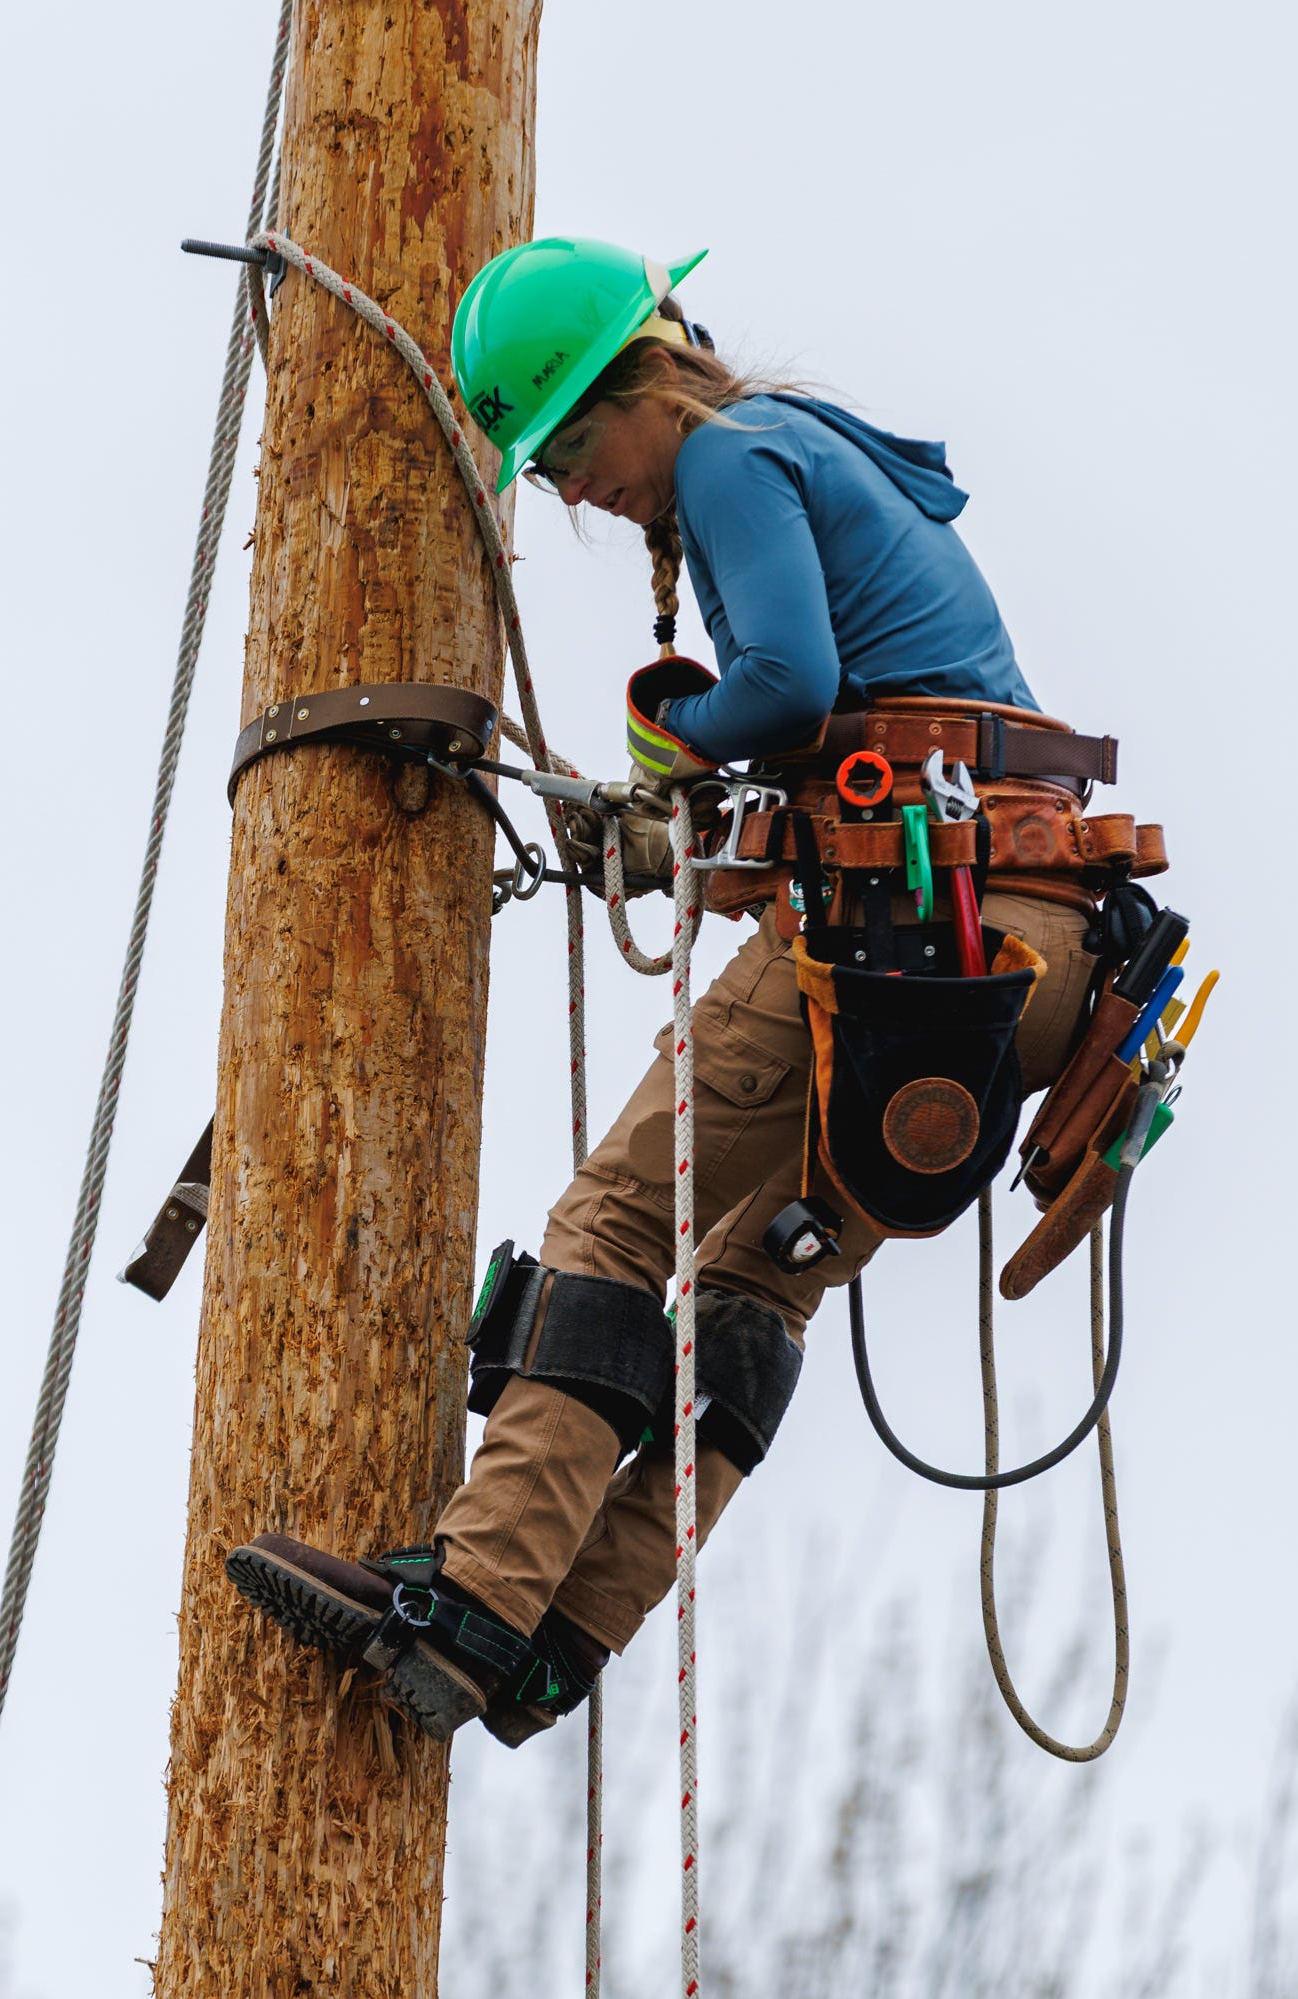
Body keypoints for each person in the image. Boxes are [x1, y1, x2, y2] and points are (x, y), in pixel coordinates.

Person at [227, 235, 1113, 1746]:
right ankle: (565, 1638)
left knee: (622, 1226)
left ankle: (472, 1608)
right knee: (750, 1286)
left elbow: (781, 683)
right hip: (1030, 957)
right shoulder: (817, 458)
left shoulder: (733, 454)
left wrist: (658, 754)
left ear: (649, 378)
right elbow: (849, 717)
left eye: (572, 441)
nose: (572, 488)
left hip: (910, 927)